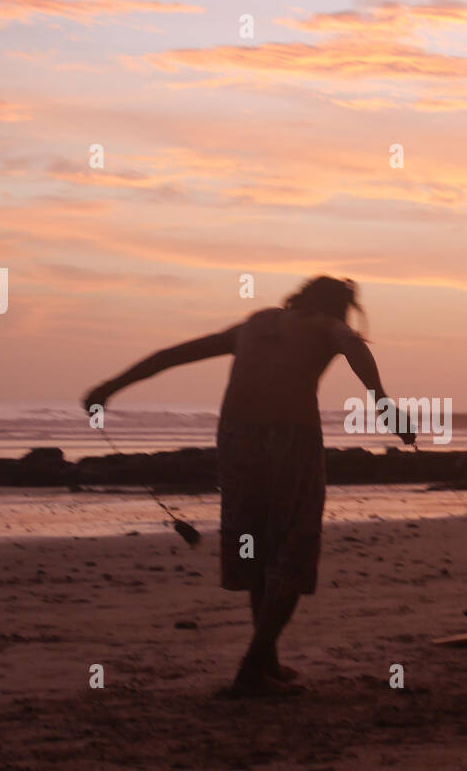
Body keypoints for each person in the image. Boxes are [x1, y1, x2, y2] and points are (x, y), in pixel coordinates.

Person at [82, 276, 413, 697]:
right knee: (293, 549)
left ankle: (267, 660)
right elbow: (353, 346)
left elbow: (173, 355)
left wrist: (109, 387)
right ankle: (253, 668)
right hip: (290, 440)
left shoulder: (255, 323)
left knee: (255, 549)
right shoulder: (327, 326)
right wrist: (384, 404)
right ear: (338, 306)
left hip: (236, 440)